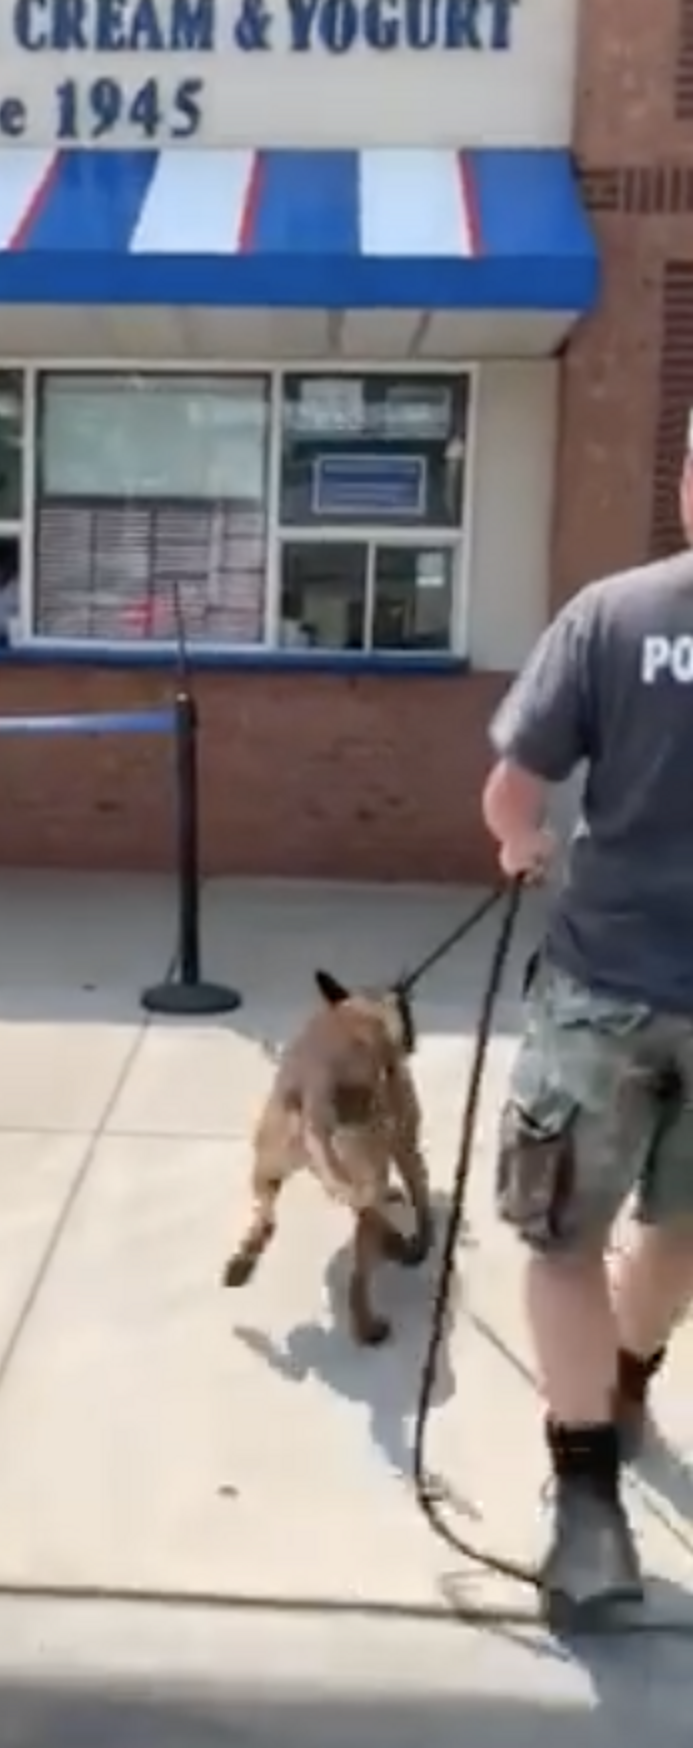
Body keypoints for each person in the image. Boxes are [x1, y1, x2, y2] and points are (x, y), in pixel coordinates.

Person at [482, 448, 693, 1627]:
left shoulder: (612, 616)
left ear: (687, 486)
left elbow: (512, 796)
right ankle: (624, 1383)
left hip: (603, 987)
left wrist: (526, 851)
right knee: (682, 1219)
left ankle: (585, 1509)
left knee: (562, 1236)